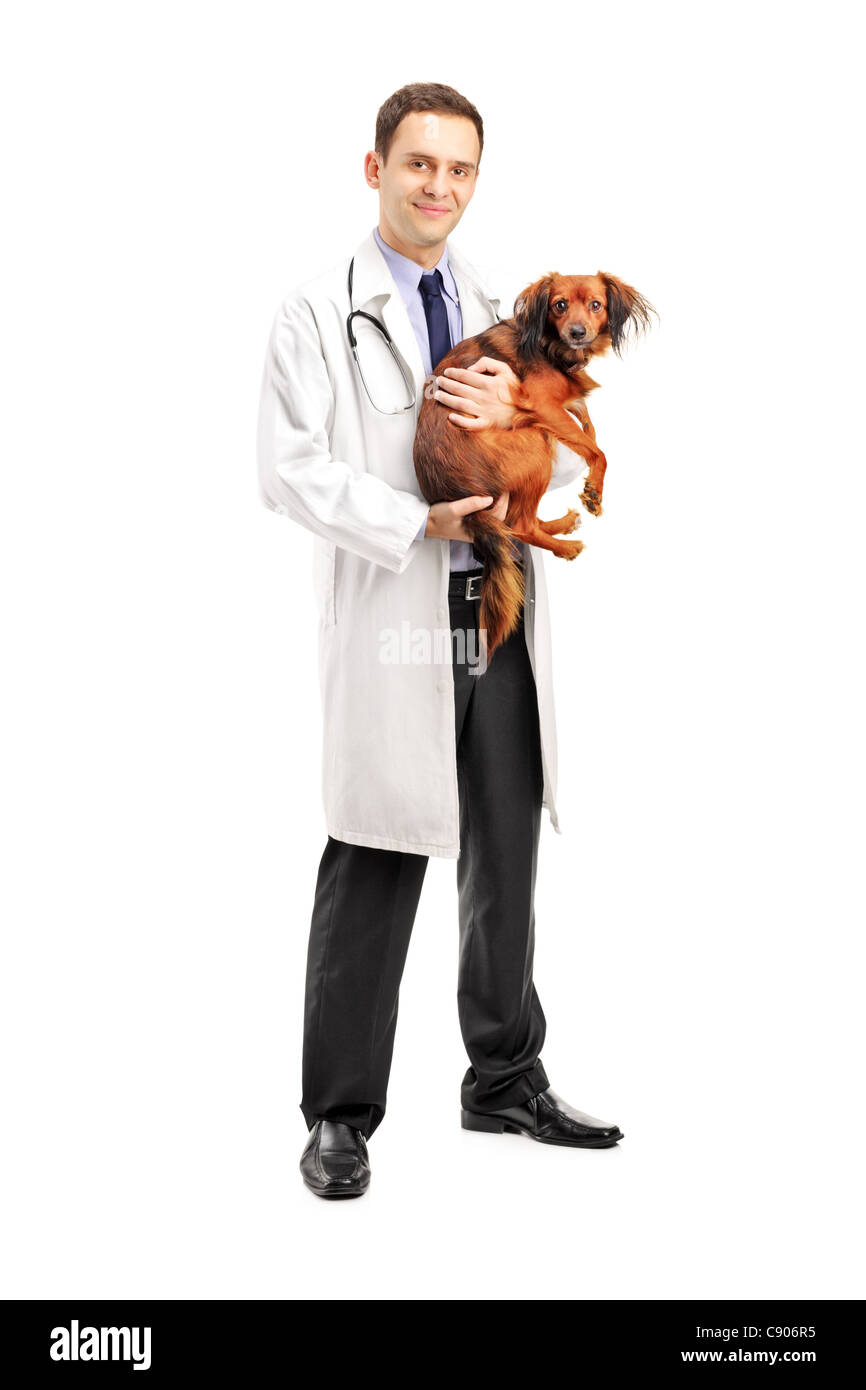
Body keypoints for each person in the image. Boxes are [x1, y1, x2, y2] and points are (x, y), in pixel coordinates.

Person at [256, 82, 623, 1200]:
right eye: (419, 164)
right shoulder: (317, 311)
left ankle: (504, 1074)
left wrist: (530, 437)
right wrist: (413, 517)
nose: (439, 186)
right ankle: (338, 1114)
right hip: (395, 616)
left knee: (504, 848)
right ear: (376, 171)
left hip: (495, 610)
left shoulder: (505, 306)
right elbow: (287, 470)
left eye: (459, 169)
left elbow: (553, 441)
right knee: (376, 847)